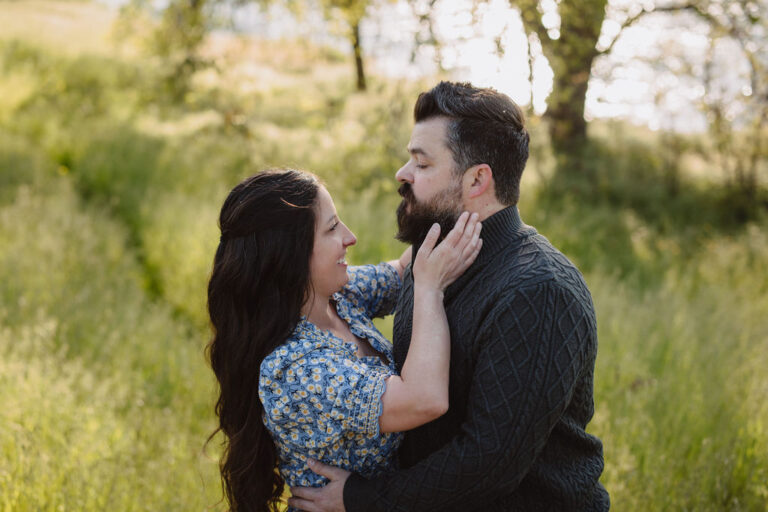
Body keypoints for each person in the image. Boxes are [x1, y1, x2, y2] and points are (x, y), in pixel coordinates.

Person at [289, 81, 610, 511]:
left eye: (421, 164)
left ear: (477, 179)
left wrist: (360, 498)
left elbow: (487, 465)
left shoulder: (539, 292)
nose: (402, 174)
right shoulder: (433, 258)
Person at [206, 169, 482, 512]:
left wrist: (456, 199)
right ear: (290, 254)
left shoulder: (338, 297)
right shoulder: (295, 368)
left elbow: (400, 271)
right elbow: (424, 399)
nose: (350, 237)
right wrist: (429, 288)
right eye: (332, 228)